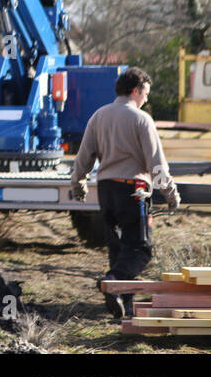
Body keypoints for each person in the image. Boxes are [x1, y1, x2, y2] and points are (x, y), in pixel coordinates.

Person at [68, 67, 181, 318]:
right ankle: (113, 282)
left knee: (118, 248)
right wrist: (172, 195)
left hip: (107, 190)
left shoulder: (98, 116)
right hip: (133, 190)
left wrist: (78, 184)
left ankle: (123, 307)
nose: (147, 99)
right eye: (146, 93)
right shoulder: (141, 119)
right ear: (135, 90)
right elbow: (157, 165)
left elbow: (83, 157)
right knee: (140, 250)